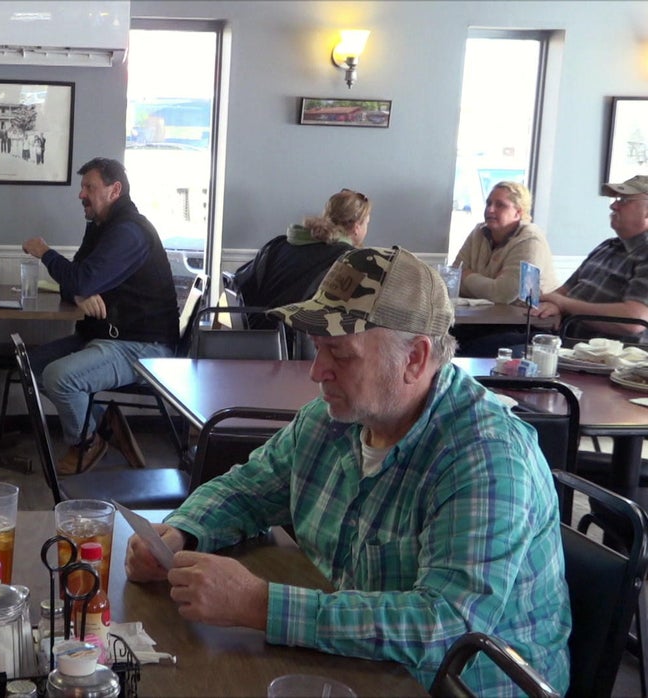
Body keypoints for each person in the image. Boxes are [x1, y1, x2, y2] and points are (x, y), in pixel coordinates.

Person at [125, 246, 571, 695]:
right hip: (362, 668)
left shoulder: (486, 457)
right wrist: (182, 531)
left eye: (341, 354)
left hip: (466, 687)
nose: (318, 371)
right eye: (318, 349)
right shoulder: (336, 419)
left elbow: (445, 628)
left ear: (415, 359)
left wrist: (259, 604)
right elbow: (249, 488)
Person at [22, 157, 178, 474]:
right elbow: (77, 279)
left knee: (59, 377)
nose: (81, 194)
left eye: (89, 187)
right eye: (82, 187)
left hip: (142, 345)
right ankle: (105, 425)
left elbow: (79, 277)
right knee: (29, 365)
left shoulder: (130, 233)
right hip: (106, 335)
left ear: (114, 189)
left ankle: (88, 443)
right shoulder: (101, 226)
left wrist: (45, 253)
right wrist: (80, 291)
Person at [230, 188, 370, 338]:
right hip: (297, 345)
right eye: (367, 223)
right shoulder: (347, 259)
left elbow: (240, 284)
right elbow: (347, 315)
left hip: (251, 336)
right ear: (357, 228)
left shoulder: (278, 245)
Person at [531, 174, 648, 339]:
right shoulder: (608, 246)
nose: (614, 206)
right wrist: (553, 304)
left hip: (605, 357)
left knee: (491, 350)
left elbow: (633, 320)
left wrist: (563, 305)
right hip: (560, 340)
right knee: (489, 342)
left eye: (624, 200)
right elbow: (563, 292)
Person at [453, 181, 558, 303]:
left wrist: (467, 276)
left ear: (518, 213)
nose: (490, 209)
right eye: (488, 203)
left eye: (500, 205)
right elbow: (453, 278)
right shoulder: (478, 232)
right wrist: (491, 285)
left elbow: (503, 295)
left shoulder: (530, 240)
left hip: (528, 319)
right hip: (487, 315)